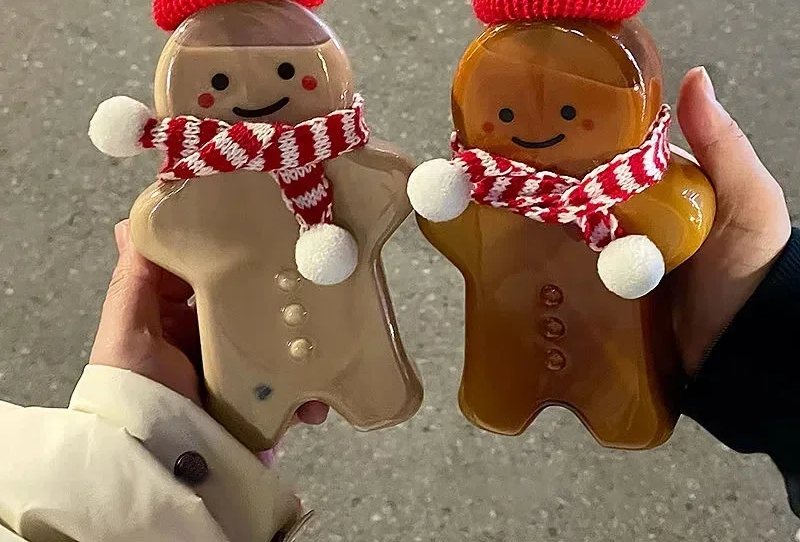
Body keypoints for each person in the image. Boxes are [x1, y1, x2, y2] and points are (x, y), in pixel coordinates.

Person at [0, 66, 797, 540]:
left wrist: (746, 301)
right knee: (474, 369)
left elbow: (677, 211)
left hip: (621, 339)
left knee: (599, 381)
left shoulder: (626, 188)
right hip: (246, 364)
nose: (537, 130)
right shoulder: (210, 183)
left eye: (289, 76)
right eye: (509, 115)